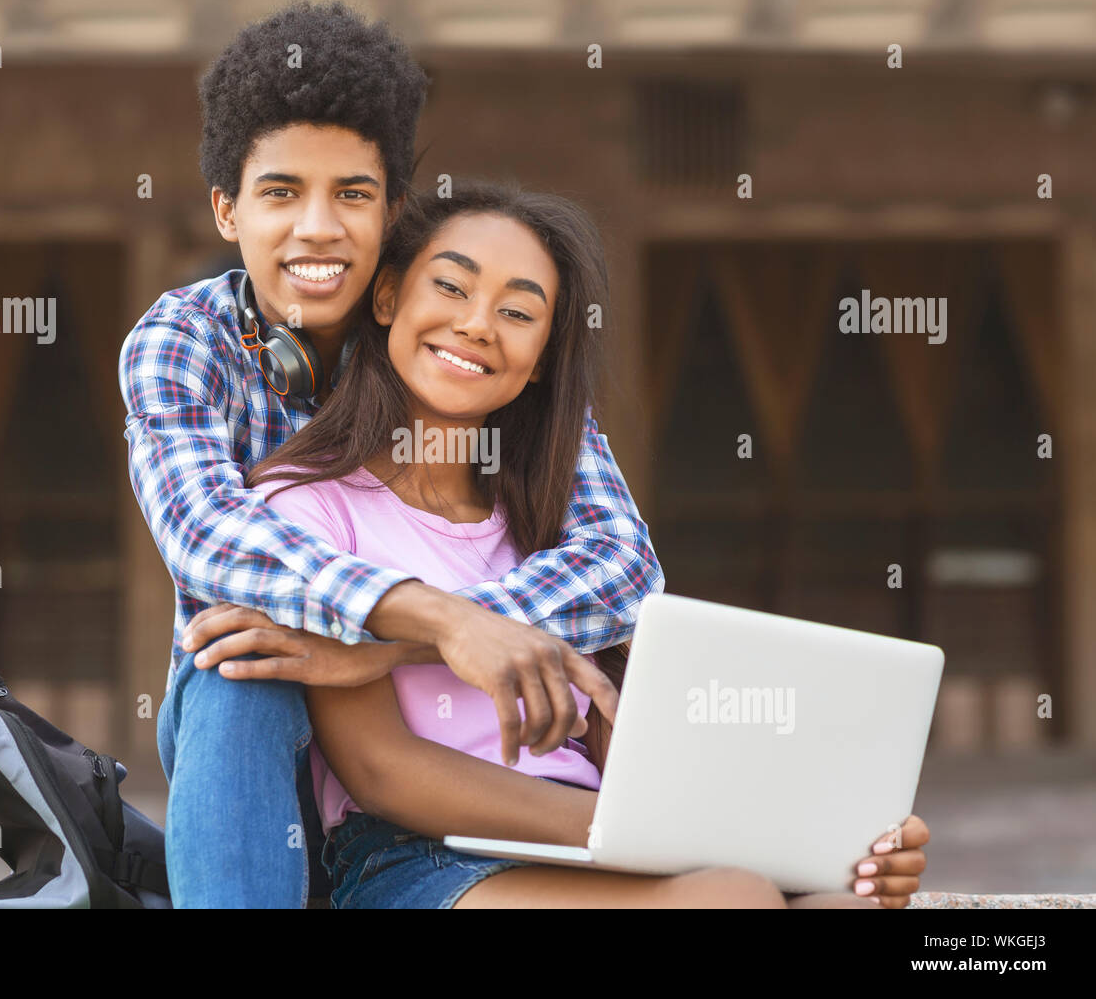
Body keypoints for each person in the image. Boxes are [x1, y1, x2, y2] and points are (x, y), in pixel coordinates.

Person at [187, 181, 931, 908]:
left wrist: (829, 851)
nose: (479, 324)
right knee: (731, 895)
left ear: (541, 356)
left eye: (517, 311)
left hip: (598, 843)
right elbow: (380, 770)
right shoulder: (305, 509)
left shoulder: (555, 531)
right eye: (451, 288)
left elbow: (623, 741)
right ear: (387, 299)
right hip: (419, 861)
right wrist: (648, 837)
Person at [119, 0, 663, 908]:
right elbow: (208, 535)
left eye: (354, 195)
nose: (320, 229)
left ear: (393, 210)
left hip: (432, 740)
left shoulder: (455, 339)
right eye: (281, 193)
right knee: (242, 662)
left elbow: (620, 566)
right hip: (260, 742)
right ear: (227, 209)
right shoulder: (185, 338)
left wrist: (391, 651)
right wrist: (444, 625)